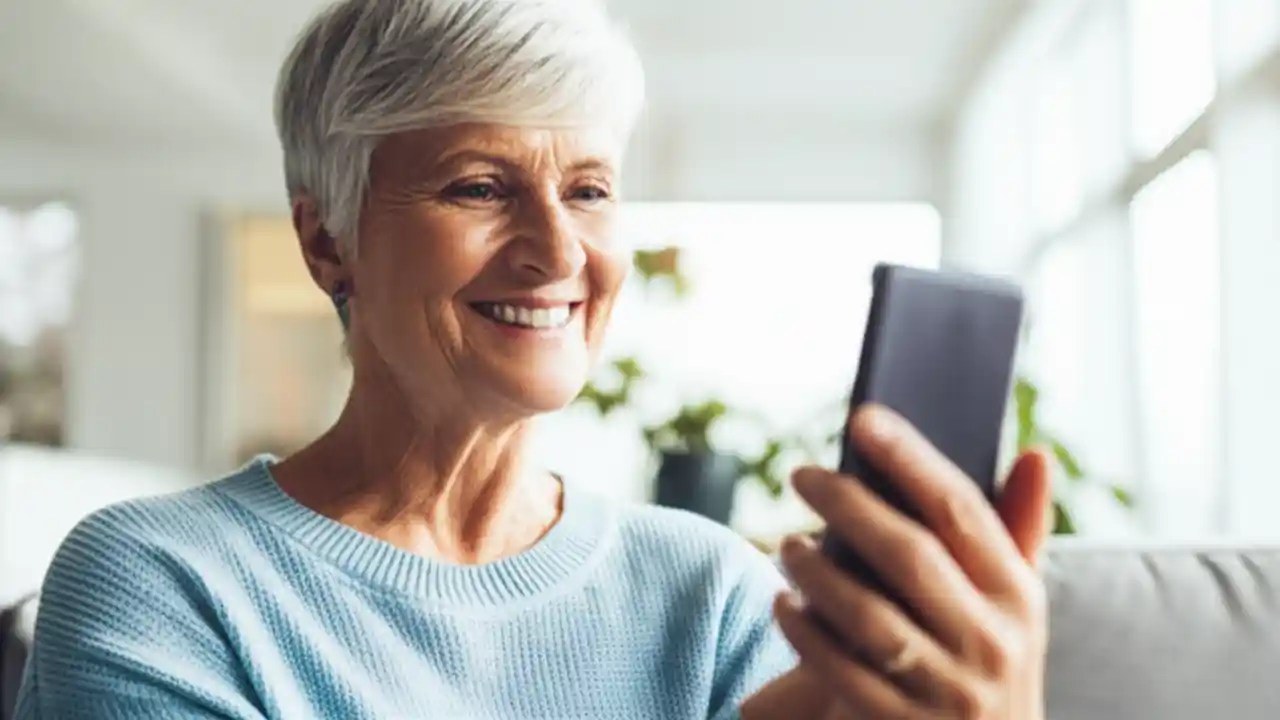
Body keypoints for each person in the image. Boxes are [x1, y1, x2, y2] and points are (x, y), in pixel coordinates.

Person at [15, 1, 1052, 718]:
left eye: (590, 190)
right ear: (326, 237)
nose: (559, 253)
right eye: (478, 187)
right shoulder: (161, 583)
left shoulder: (712, 594)